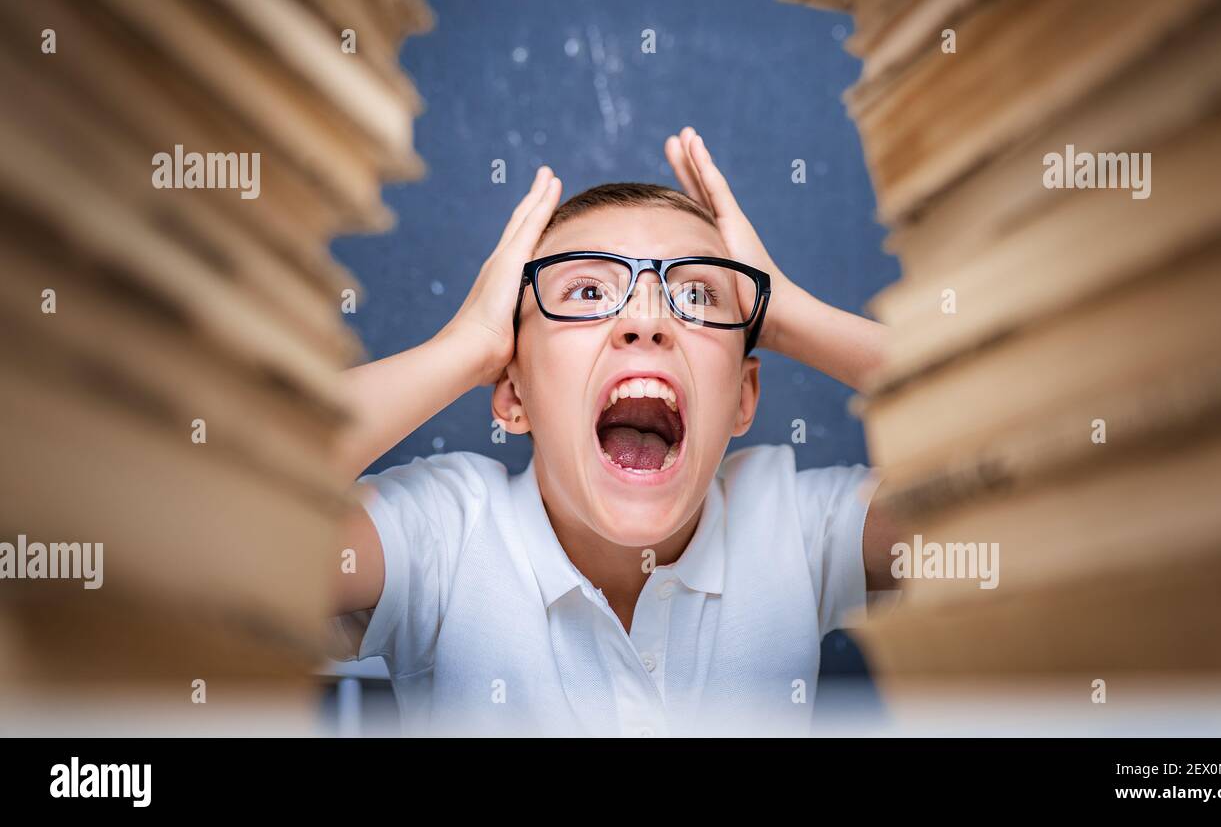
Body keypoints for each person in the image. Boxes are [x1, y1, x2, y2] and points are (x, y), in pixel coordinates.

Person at [331, 127, 895, 735]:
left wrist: (786, 314)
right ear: (514, 394)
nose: (646, 321)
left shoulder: (799, 526)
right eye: (589, 290)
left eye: (698, 294)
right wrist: (465, 347)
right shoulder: (441, 535)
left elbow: (1012, 468)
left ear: (743, 396)